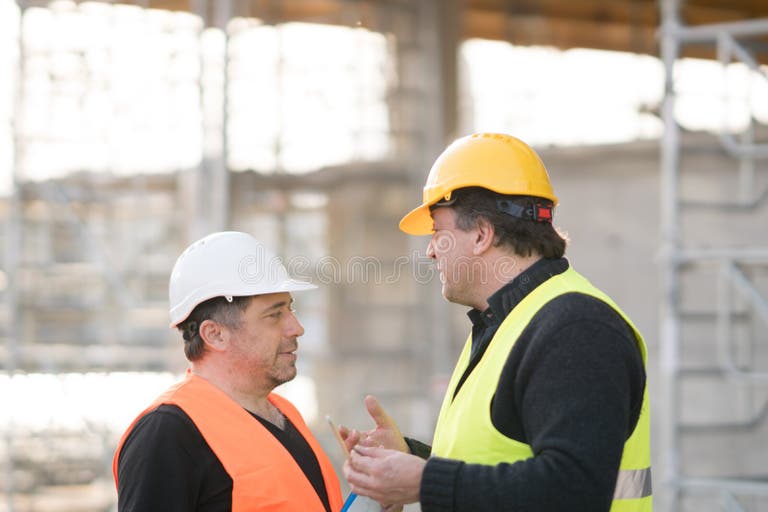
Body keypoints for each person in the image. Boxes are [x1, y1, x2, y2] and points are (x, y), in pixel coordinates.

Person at [341, 133, 652, 512]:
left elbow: (575, 489)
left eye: (439, 232)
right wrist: (412, 458)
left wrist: (424, 481)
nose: (430, 250)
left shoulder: (577, 329)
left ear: (481, 235)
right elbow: (498, 468)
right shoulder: (507, 325)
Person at [113, 231, 343, 512]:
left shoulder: (285, 414)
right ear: (215, 334)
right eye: (274, 315)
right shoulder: (168, 433)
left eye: (290, 310)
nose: (296, 328)